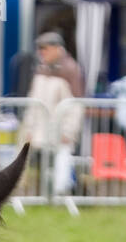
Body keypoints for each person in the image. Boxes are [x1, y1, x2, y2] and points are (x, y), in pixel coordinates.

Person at [20, 32, 84, 194]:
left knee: (61, 166)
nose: (42, 52)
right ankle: (44, 195)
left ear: (57, 48)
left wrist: (68, 131)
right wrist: (29, 128)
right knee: (43, 166)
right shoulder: (41, 69)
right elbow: (33, 103)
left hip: (60, 129)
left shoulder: (70, 69)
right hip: (40, 129)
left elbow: (75, 105)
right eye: (40, 49)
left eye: (45, 48)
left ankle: (62, 195)